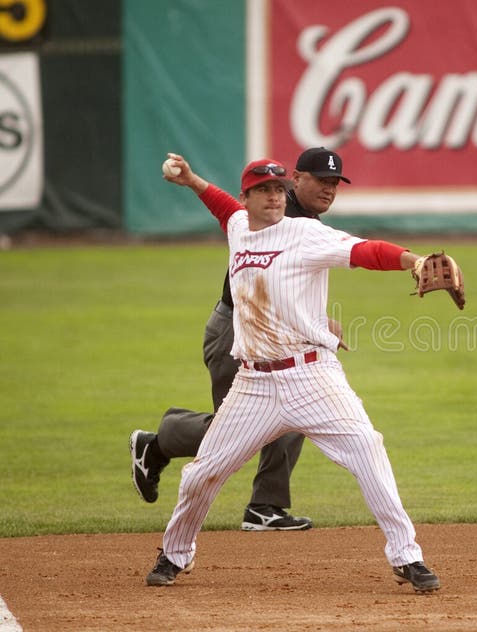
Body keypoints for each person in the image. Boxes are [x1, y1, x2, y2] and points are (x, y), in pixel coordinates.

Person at [144, 152, 445, 594]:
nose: (273, 196)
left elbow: (365, 251)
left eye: (277, 189)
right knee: (201, 474)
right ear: (248, 197)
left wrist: (413, 261)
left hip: (312, 378)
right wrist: (192, 180)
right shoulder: (239, 226)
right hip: (253, 384)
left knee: (367, 449)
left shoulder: (306, 233)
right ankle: (174, 553)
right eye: (262, 190)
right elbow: (223, 207)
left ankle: (407, 556)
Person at [129, 147, 352, 531]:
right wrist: (316, 323)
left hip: (274, 332)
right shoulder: (275, 215)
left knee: (295, 411)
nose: (329, 189)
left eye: (334, 182)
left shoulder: (302, 218)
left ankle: (266, 507)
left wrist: (315, 321)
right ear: (297, 178)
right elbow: (243, 238)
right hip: (239, 330)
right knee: (237, 431)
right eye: (321, 180)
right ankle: (159, 442)